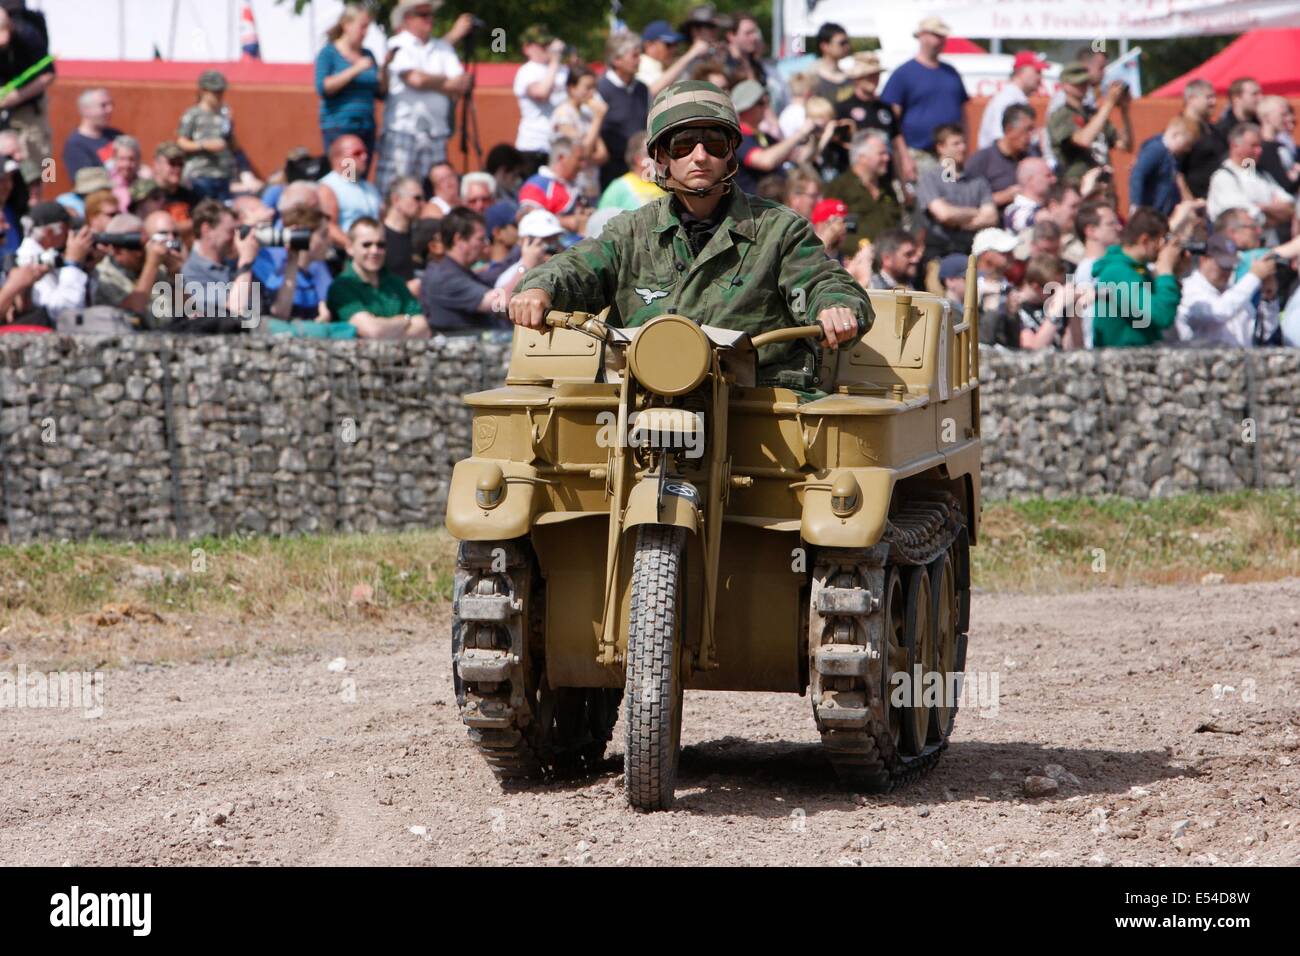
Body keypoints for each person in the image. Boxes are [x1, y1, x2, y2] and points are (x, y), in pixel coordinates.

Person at [509, 79, 872, 394]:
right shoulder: (630, 232)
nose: (700, 157)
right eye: (683, 145)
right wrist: (539, 289)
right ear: (661, 155)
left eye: (714, 143)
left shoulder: (779, 229)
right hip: (641, 405)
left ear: (731, 152)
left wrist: (834, 307)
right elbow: (575, 267)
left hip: (755, 411)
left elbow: (822, 279)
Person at [375, 2, 474, 195]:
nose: (429, 19)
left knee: (431, 190)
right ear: (408, 18)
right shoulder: (398, 43)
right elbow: (415, 79)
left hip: (436, 132)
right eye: (422, 14)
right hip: (403, 131)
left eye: (430, 14)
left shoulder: (442, 47)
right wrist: (446, 81)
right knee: (396, 187)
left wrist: (432, 80)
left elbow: (461, 83)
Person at [880, 17, 968, 178]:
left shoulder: (951, 73)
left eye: (943, 37)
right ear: (922, 36)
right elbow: (892, 120)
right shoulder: (904, 74)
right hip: (919, 154)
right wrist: (903, 156)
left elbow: (963, 113)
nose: (941, 41)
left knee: (950, 192)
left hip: (949, 155)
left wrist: (963, 146)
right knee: (924, 198)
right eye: (936, 35)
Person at [1090, 206, 1183, 348]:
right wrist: (1165, 272)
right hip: (1119, 363)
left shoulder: (1138, 270)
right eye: (1161, 240)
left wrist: (1173, 275)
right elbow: (1161, 316)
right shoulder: (1117, 273)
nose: (1163, 248)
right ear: (1145, 240)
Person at [326, 216, 430, 338]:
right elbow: (373, 331)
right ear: (349, 247)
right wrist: (405, 319)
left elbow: (423, 328)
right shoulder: (341, 286)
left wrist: (384, 328)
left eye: (381, 245)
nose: (375, 250)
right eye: (367, 244)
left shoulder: (396, 283)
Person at [315, 3, 387, 170]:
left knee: (361, 174)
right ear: (346, 25)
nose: (365, 32)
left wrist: (385, 70)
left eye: (367, 27)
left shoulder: (368, 54)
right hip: (340, 127)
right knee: (348, 175)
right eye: (362, 26)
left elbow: (380, 93)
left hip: (366, 127)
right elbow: (323, 87)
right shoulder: (329, 53)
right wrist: (356, 69)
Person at [416, 207, 512, 332]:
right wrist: (525, 265)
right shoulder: (444, 278)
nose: (485, 245)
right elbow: (500, 303)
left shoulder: (459, 272)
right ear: (459, 240)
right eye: (480, 239)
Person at [1173, 232, 1274, 348]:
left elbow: (1265, 332)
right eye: (1223, 266)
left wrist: (1269, 297)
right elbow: (1219, 312)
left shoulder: (1235, 292)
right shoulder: (1188, 288)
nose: (1227, 271)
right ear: (1204, 260)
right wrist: (1254, 276)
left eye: (1231, 266)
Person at [916, 124, 996, 268]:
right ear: (940, 147)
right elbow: (944, 214)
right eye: (956, 144)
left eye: (964, 142)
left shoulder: (978, 180)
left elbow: (991, 217)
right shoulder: (929, 178)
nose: (963, 148)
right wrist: (975, 212)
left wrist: (956, 221)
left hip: (970, 253)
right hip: (940, 252)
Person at [176, 198, 262, 329]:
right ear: (206, 230)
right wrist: (246, 261)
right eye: (230, 231)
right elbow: (233, 314)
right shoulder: (191, 271)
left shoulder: (233, 267)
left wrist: (292, 259)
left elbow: (277, 311)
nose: (236, 238)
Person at [1207, 123, 1295, 247]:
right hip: (1237, 255)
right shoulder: (1223, 177)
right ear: (1235, 146)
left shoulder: (1262, 176)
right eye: (1253, 146)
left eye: (1260, 146)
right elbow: (1245, 217)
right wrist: (1273, 212)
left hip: (1268, 251)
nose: (1259, 151)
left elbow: (1290, 207)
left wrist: (1261, 207)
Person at [91, 211, 185, 328]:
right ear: (117, 249)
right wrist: (151, 265)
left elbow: (189, 310)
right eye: (137, 246)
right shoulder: (103, 276)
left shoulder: (159, 270)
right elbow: (132, 313)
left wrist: (175, 274)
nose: (144, 252)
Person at [0, 7, 55, 196]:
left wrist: (17, 97)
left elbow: (49, 74)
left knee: (44, 159)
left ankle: (44, 195)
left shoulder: (28, 34)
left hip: (29, 107)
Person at [1048, 61, 1130, 187]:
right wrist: (1109, 103)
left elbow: (1125, 144)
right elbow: (1083, 140)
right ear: (1064, 86)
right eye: (1078, 83)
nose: (1083, 86)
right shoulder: (1061, 115)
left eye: (1085, 83)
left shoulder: (1093, 114)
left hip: (1102, 185)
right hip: (1077, 186)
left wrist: (1124, 111)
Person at [16, 201, 95, 323]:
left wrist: (89, 266)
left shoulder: (50, 254)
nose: (72, 234)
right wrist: (73, 264)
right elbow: (63, 311)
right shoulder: (29, 261)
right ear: (50, 233)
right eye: (67, 229)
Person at [731, 80, 814, 194]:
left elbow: (800, 157)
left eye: (766, 101)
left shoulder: (763, 136)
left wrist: (815, 136)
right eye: (761, 103)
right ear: (746, 108)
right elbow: (766, 161)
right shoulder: (739, 139)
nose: (766, 107)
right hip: (757, 207)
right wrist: (800, 133)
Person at [256, 203, 334, 323]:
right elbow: (279, 313)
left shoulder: (311, 277)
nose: (329, 242)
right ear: (303, 235)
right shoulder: (278, 275)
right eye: (323, 235)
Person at [824, 130, 902, 250]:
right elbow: (826, 229)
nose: (887, 158)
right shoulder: (839, 187)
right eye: (881, 154)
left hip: (887, 262)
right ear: (862, 157)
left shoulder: (887, 188)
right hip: (851, 263)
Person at [834, 53, 905, 181]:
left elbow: (896, 142)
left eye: (876, 75)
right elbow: (837, 144)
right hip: (854, 177)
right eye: (869, 76)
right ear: (858, 78)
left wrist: (903, 173)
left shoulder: (885, 108)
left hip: (884, 176)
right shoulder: (843, 108)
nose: (874, 79)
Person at [176, 70, 241, 202]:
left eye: (221, 92)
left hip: (223, 173)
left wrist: (229, 129)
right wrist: (204, 145)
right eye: (215, 92)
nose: (219, 96)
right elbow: (182, 141)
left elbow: (233, 145)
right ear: (203, 91)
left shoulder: (224, 114)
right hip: (201, 173)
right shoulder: (193, 114)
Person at [596, 31, 650, 190]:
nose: (639, 60)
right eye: (634, 55)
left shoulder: (642, 89)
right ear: (616, 60)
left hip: (639, 169)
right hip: (610, 170)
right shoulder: (601, 89)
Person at [514, 25, 569, 174]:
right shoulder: (527, 71)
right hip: (534, 145)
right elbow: (541, 93)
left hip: (559, 144)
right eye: (542, 45)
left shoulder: (563, 69)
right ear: (527, 47)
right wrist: (555, 62)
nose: (547, 49)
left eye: (548, 44)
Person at [551, 66, 610, 204]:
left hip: (591, 186)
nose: (592, 93)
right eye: (587, 87)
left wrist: (588, 156)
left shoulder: (587, 114)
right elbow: (582, 152)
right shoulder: (563, 115)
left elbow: (603, 155)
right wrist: (598, 118)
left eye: (594, 87)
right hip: (573, 187)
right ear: (572, 88)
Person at [966, 104, 1036, 211]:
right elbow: (967, 200)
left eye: (1032, 130)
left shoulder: (1032, 156)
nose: (1031, 136)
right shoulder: (982, 160)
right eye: (1027, 130)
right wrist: (1004, 196)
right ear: (1009, 130)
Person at [318, 133, 382, 248]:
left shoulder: (370, 188)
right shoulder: (329, 186)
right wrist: (353, 247)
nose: (364, 157)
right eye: (357, 153)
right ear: (339, 157)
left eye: (365, 152)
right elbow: (328, 226)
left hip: (372, 254)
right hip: (343, 257)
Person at [518, 137, 590, 236]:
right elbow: (528, 219)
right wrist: (566, 222)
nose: (583, 165)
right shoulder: (536, 185)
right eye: (579, 159)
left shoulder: (573, 185)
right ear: (561, 158)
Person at [977, 50, 1046, 150]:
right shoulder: (1007, 99)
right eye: (1037, 72)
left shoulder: (1015, 96)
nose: (1040, 78)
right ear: (1020, 71)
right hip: (997, 162)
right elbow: (1000, 139)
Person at [1130, 117, 1198, 216]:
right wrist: (1135, 205)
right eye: (1187, 144)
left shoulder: (1171, 157)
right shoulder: (1156, 150)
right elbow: (1138, 174)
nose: (1187, 149)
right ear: (1176, 134)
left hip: (1162, 213)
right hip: (1150, 211)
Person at [1012, 253, 1083, 350]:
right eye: (1053, 289)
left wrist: (1073, 310)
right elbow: (1033, 351)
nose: (1057, 293)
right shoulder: (1016, 308)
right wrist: (1056, 311)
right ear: (1036, 286)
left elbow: (1075, 348)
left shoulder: (1059, 306)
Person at [490, 209, 562, 291]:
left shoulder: (568, 267)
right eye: (542, 239)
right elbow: (504, 300)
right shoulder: (507, 279)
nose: (548, 245)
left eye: (554, 237)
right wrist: (527, 266)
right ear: (522, 242)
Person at [62, 88, 122, 180]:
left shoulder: (116, 135)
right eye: (103, 105)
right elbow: (85, 181)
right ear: (86, 110)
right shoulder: (76, 144)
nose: (110, 109)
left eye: (111, 104)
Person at [1177, 79, 1221, 201]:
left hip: (1217, 201)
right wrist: (1190, 202)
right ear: (1191, 99)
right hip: (1199, 204)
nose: (1214, 102)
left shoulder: (1214, 130)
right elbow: (1175, 172)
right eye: (1209, 97)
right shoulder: (1181, 130)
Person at [638, 20, 707, 99]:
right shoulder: (641, 62)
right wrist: (691, 53)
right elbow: (651, 92)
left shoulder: (663, 64)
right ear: (649, 45)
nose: (674, 49)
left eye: (675, 44)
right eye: (669, 44)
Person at [597, 132, 666, 211]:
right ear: (638, 159)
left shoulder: (666, 183)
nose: (659, 157)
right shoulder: (619, 187)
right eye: (652, 153)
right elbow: (602, 218)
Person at [381, 175, 424, 286]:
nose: (422, 204)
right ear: (396, 200)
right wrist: (405, 290)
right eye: (417, 198)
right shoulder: (378, 238)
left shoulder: (419, 236)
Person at [1257, 96, 1299, 197]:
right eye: (1283, 115)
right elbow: (1287, 185)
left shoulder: (1280, 145)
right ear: (1266, 117)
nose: (1288, 118)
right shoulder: (1265, 148)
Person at [1003, 158, 1056, 234]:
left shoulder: (1049, 204)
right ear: (1030, 180)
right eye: (1048, 176)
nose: (1054, 179)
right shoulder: (1012, 211)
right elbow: (1020, 220)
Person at [810, 22, 852, 106]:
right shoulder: (812, 76)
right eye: (842, 43)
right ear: (825, 46)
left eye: (847, 42)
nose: (847, 47)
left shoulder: (849, 76)